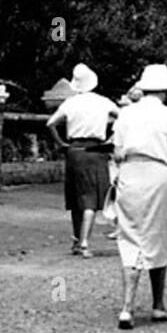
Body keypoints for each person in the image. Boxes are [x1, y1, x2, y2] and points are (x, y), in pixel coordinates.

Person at [111, 63, 167, 329]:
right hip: (157, 174)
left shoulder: (126, 114)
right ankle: (158, 304)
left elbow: (118, 152)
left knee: (130, 235)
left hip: (130, 173)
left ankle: (127, 307)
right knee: (157, 236)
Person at [45, 63, 119, 258]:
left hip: (74, 150)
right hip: (96, 150)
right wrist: (113, 138)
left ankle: (77, 240)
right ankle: (85, 242)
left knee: (76, 198)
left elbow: (51, 123)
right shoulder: (103, 102)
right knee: (91, 199)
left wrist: (61, 143)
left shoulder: (70, 103)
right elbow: (122, 118)